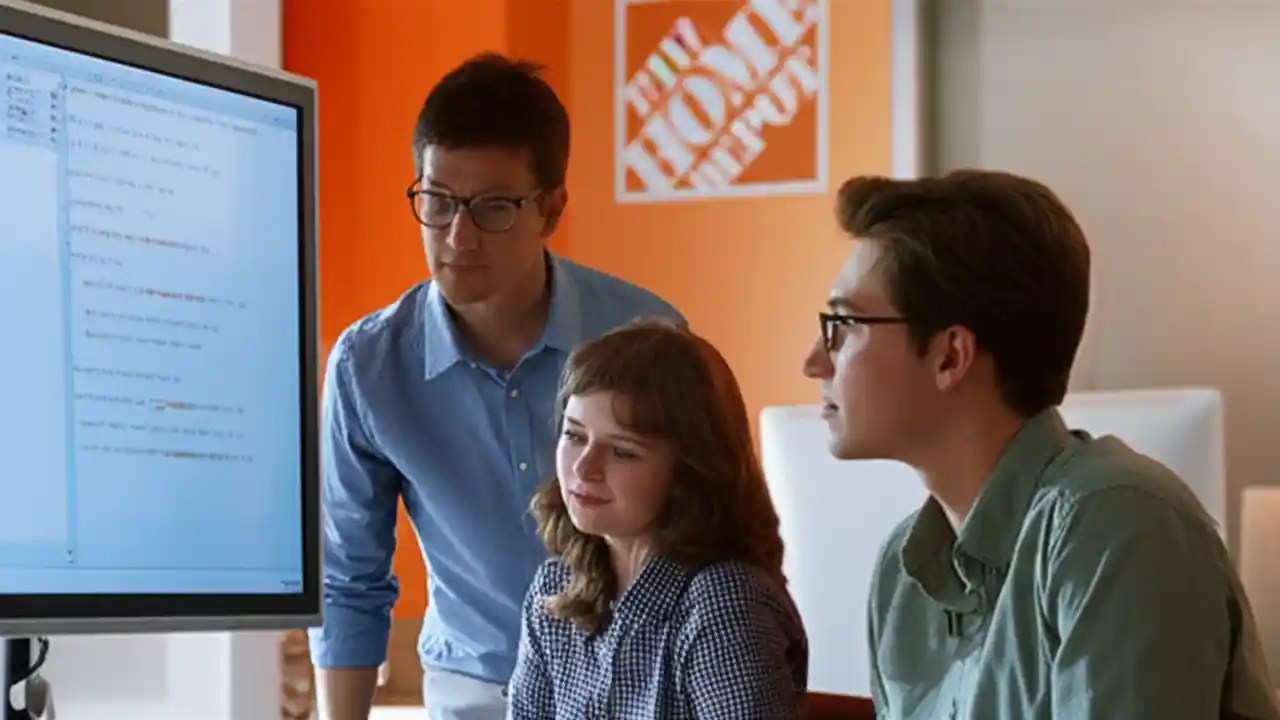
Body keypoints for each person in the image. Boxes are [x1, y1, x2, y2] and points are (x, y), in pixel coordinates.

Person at [802, 170, 1280, 719]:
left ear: (950, 355)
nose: (813, 360)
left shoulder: (1118, 525)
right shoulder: (901, 571)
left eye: (841, 323)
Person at [307, 54, 683, 720]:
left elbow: (705, 541)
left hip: (631, 683)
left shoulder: (646, 336)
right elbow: (347, 582)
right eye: (438, 202)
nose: (459, 236)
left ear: (552, 207)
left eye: (493, 208)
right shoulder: (368, 366)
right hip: (473, 693)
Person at [507, 319, 809, 719]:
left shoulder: (724, 603)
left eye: (623, 451)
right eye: (575, 435)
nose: (584, 468)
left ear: (690, 472)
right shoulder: (554, 588)